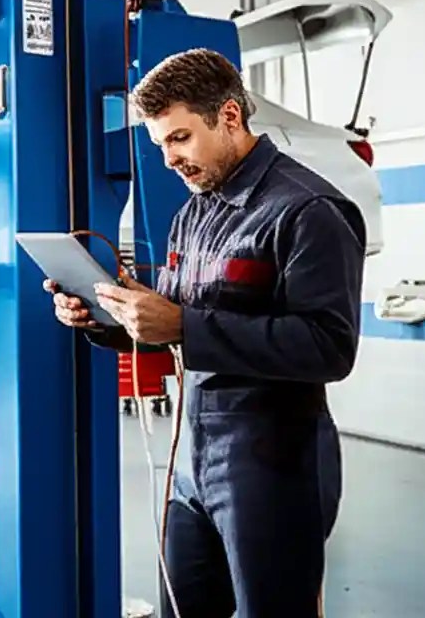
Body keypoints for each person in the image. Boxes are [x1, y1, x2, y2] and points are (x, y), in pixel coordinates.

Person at [44, 48, 366, 617]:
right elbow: (172, 313)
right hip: (193, 462)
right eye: (161, 144)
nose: (169, 160)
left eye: (180, 139)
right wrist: (106, 314)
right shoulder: (195, 211)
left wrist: (184, 327)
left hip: (276, 460)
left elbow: (329, 346)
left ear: (231, 117)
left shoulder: (308, 209)